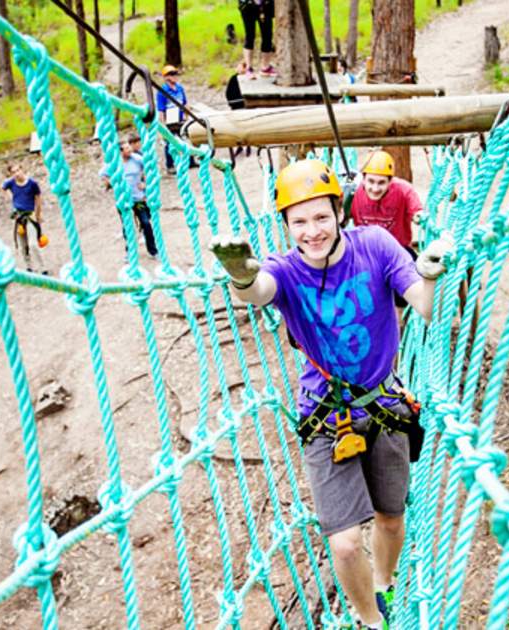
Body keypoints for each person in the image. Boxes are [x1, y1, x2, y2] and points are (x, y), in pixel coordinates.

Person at [209, 159, 450, 629]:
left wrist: (429, 276)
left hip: (384, 404)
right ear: (285, 225)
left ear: (340, 212)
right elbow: (259, 290)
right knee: (344, 542)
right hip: (325, 414)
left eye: (321, 216)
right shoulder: (285, 269)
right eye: (299, 221)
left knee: (391, 517)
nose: (312, 231)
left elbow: (423, 306)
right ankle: (372, 621)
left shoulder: (375, 245)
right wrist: (241, 276)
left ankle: (383, 582)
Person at [350, 150, 424, 259]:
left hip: (398, 250)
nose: (375, 189)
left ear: (390, 181)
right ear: (363, 179)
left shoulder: (404, 190)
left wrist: (419, 216)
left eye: (381, 183)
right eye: (371, 181)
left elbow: (417, 212)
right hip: (366, 251)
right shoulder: (353, 192)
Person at [101, 134, 158, 260]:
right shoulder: (113, 163)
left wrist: (145, 183)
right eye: (127, 148)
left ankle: (153, 251)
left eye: (129, 147)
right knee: (127, 226)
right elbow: (103, 175)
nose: (130, 149)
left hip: (138, 198)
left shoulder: (137, 159)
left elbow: (150, 169)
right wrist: (112, 184)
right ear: (120, 152)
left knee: (146, 223)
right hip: (123, 200)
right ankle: (130, 252)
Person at [1, 163, 47, 274]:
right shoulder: (11, 183)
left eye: (18, 170)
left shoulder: (32, 183)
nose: (17, 174)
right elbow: (3, 188)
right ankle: (29, 266)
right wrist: (11, 198)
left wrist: (38, 214)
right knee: (23, 245)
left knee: (33, 244)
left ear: (22, 170)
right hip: (18, 217)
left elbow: (38, 199)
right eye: (13, 172)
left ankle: (43, 267)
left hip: (30, 215)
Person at [155, 65, 188, 175]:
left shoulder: (180, 88)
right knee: (169, 142)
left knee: (185, 139)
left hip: (180, 117)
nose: (175, 76)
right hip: (169, 119)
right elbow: (161, 109)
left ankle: (190, 161)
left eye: (175, 74)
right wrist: (162, 124)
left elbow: (185, 103)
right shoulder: (162, 91)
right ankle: (170, 165)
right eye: (172, 74)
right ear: (166, 77)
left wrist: (187, 116)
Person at [237, 0, 275, 79]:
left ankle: (265, 67)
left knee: (267, 35)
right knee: (250, 35)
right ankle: (249, 68)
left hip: (265, 5)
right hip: (247, 5)